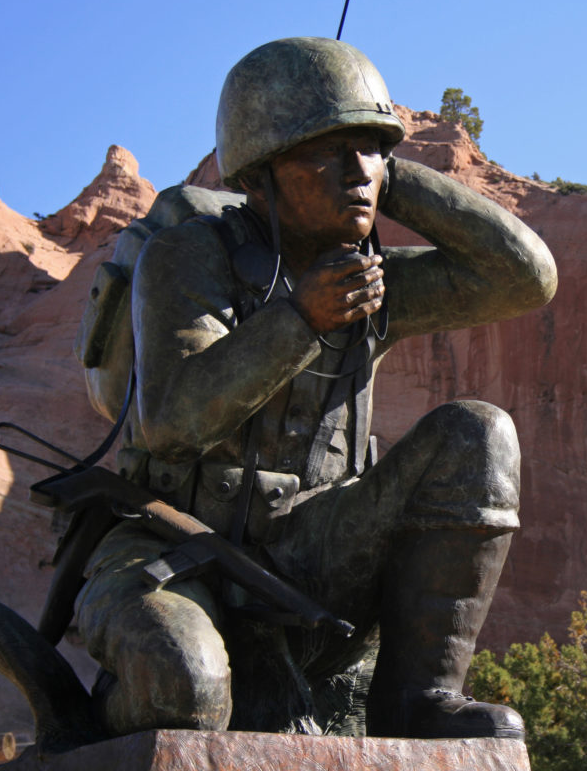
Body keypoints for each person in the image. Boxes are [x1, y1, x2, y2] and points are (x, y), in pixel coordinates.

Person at [72, 37, 557, 739]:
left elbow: (525, 277)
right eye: (327, 152)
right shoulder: (190, 256)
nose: (357, 172)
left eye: (370, 149)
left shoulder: (370, 279)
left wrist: (389, 179)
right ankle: (96, 725)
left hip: (316, 545)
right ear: (260, 173)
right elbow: (173, 420)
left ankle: (417, 702)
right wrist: (300, 318)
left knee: (478, 433)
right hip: (174, 546)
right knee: (186, 688)